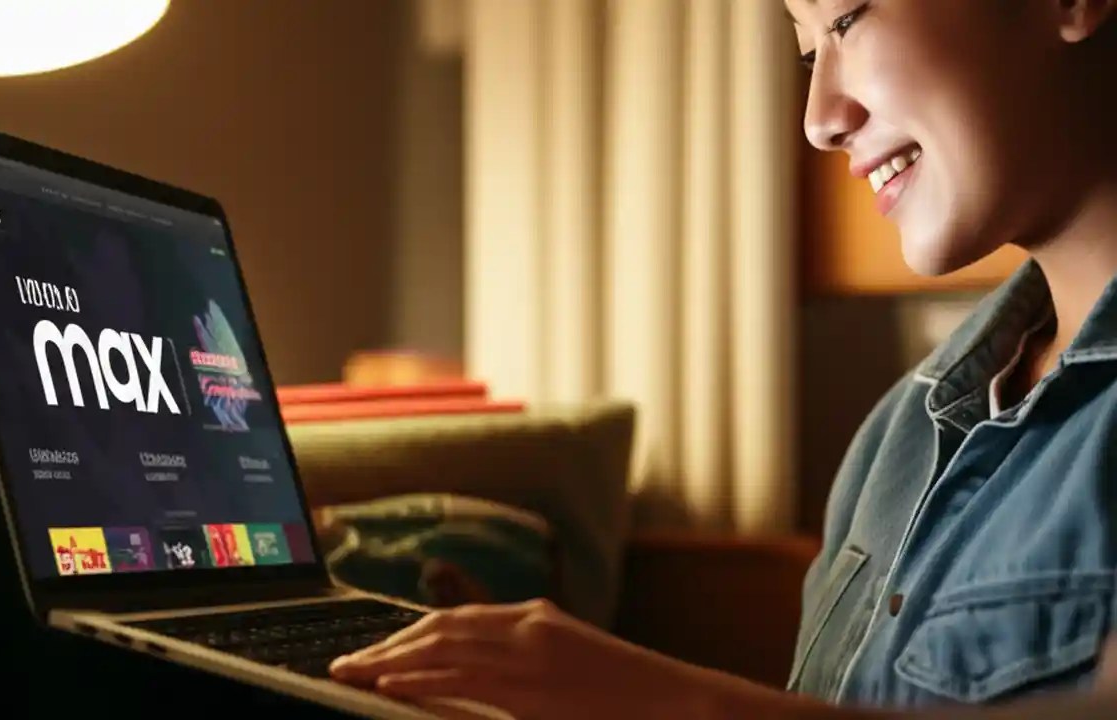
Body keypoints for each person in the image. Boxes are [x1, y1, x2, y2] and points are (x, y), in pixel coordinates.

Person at [325, 0, 1117, 717]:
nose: (819, 119)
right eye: (810, 54)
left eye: (844, 20)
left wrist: (664, 703)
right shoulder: (902, 434)